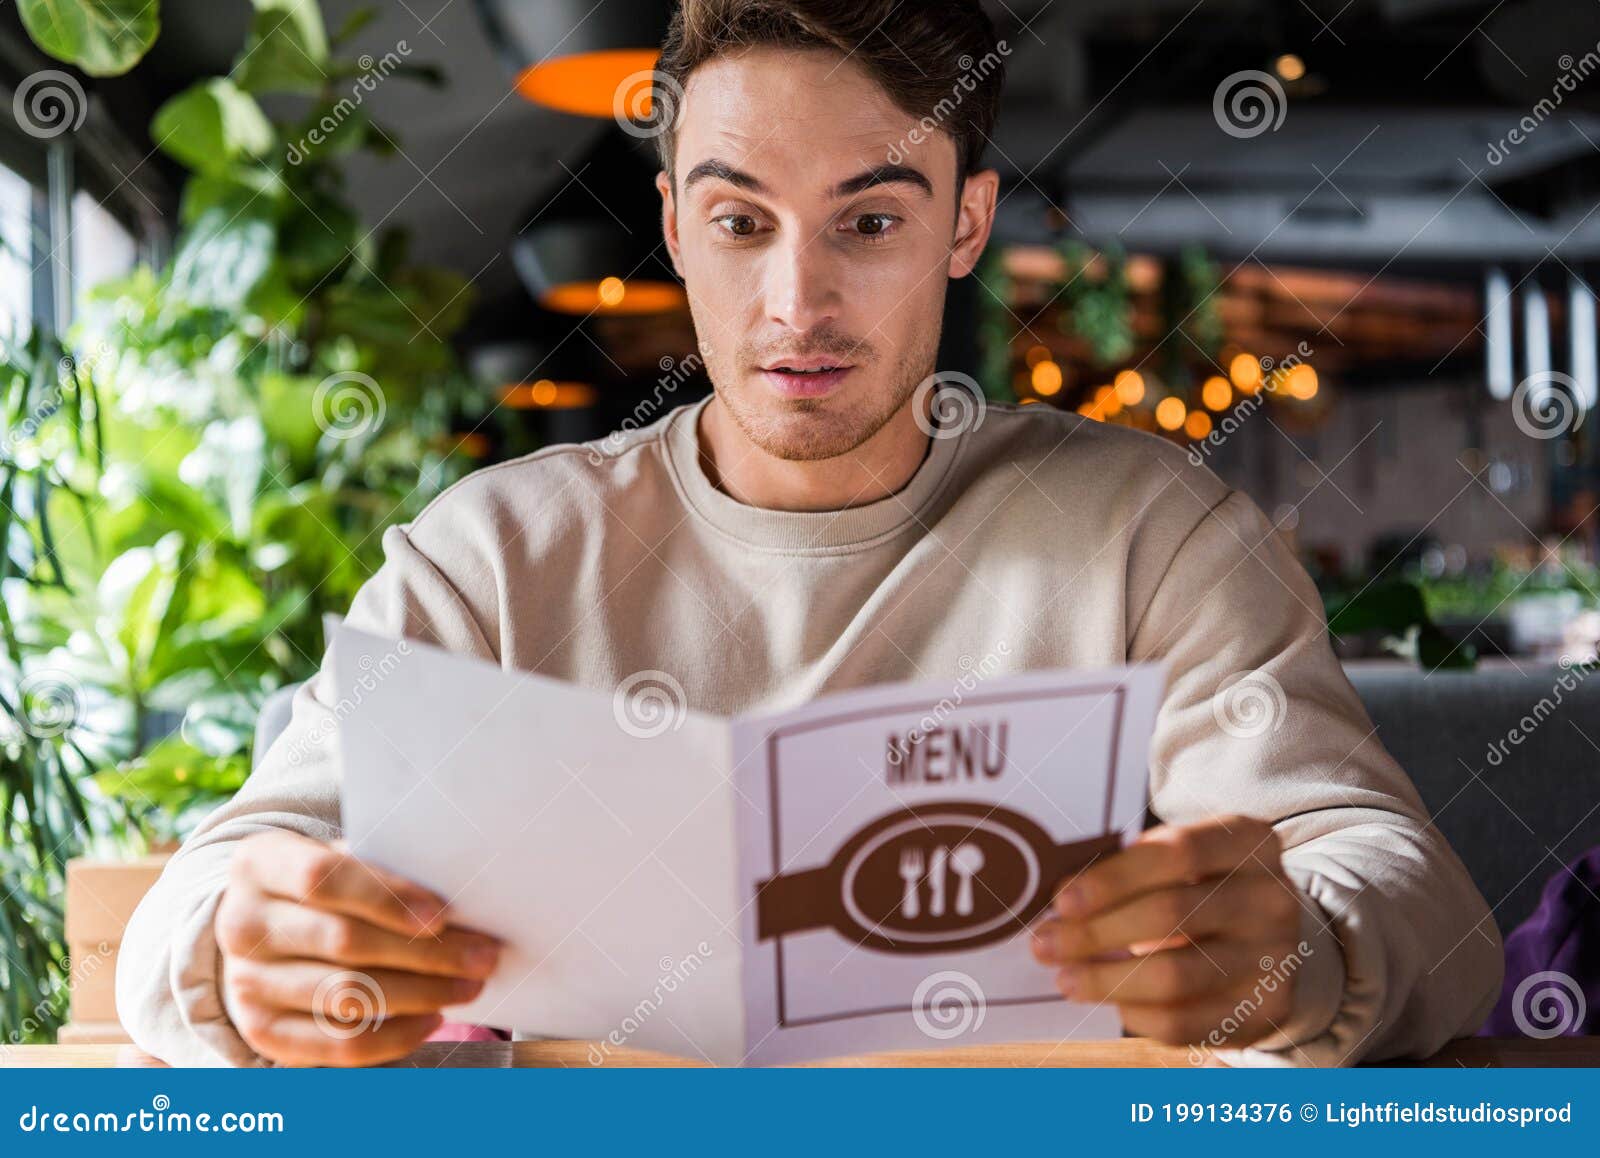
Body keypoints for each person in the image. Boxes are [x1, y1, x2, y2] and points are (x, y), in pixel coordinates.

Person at [117, 0, 1501, 1067]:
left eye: (871, 220)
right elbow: (201, 903)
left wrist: (1302, 951)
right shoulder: (489, 559)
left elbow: (1421, 903)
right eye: (738, 220)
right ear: (671, 223)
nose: (798, 301)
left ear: (965, 224)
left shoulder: (1152, 535)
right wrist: (243, 956)